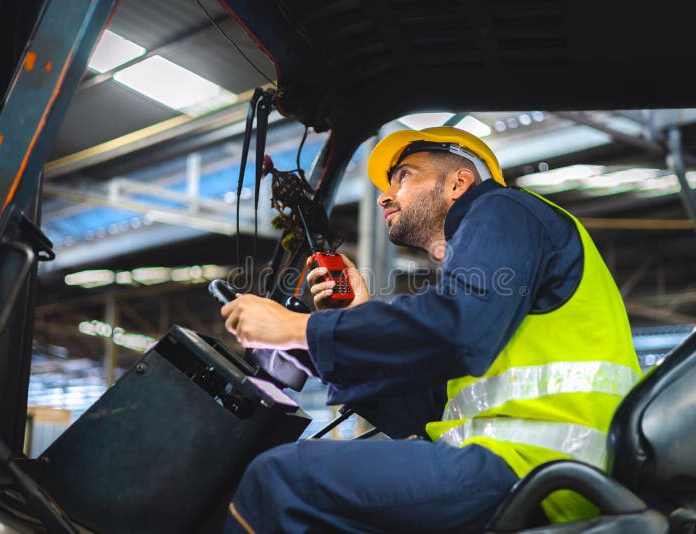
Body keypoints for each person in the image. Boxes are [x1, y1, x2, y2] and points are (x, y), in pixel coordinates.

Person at [220, 126, 642, 533]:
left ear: (459, 183)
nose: (385, 195)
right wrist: (347, 321)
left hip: (540, 470)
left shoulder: (504, 209)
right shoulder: (498, 285)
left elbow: (454, 325)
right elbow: (423, 412)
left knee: (280, 479)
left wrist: (299, 327)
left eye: (403, 176)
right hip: (531, 471)